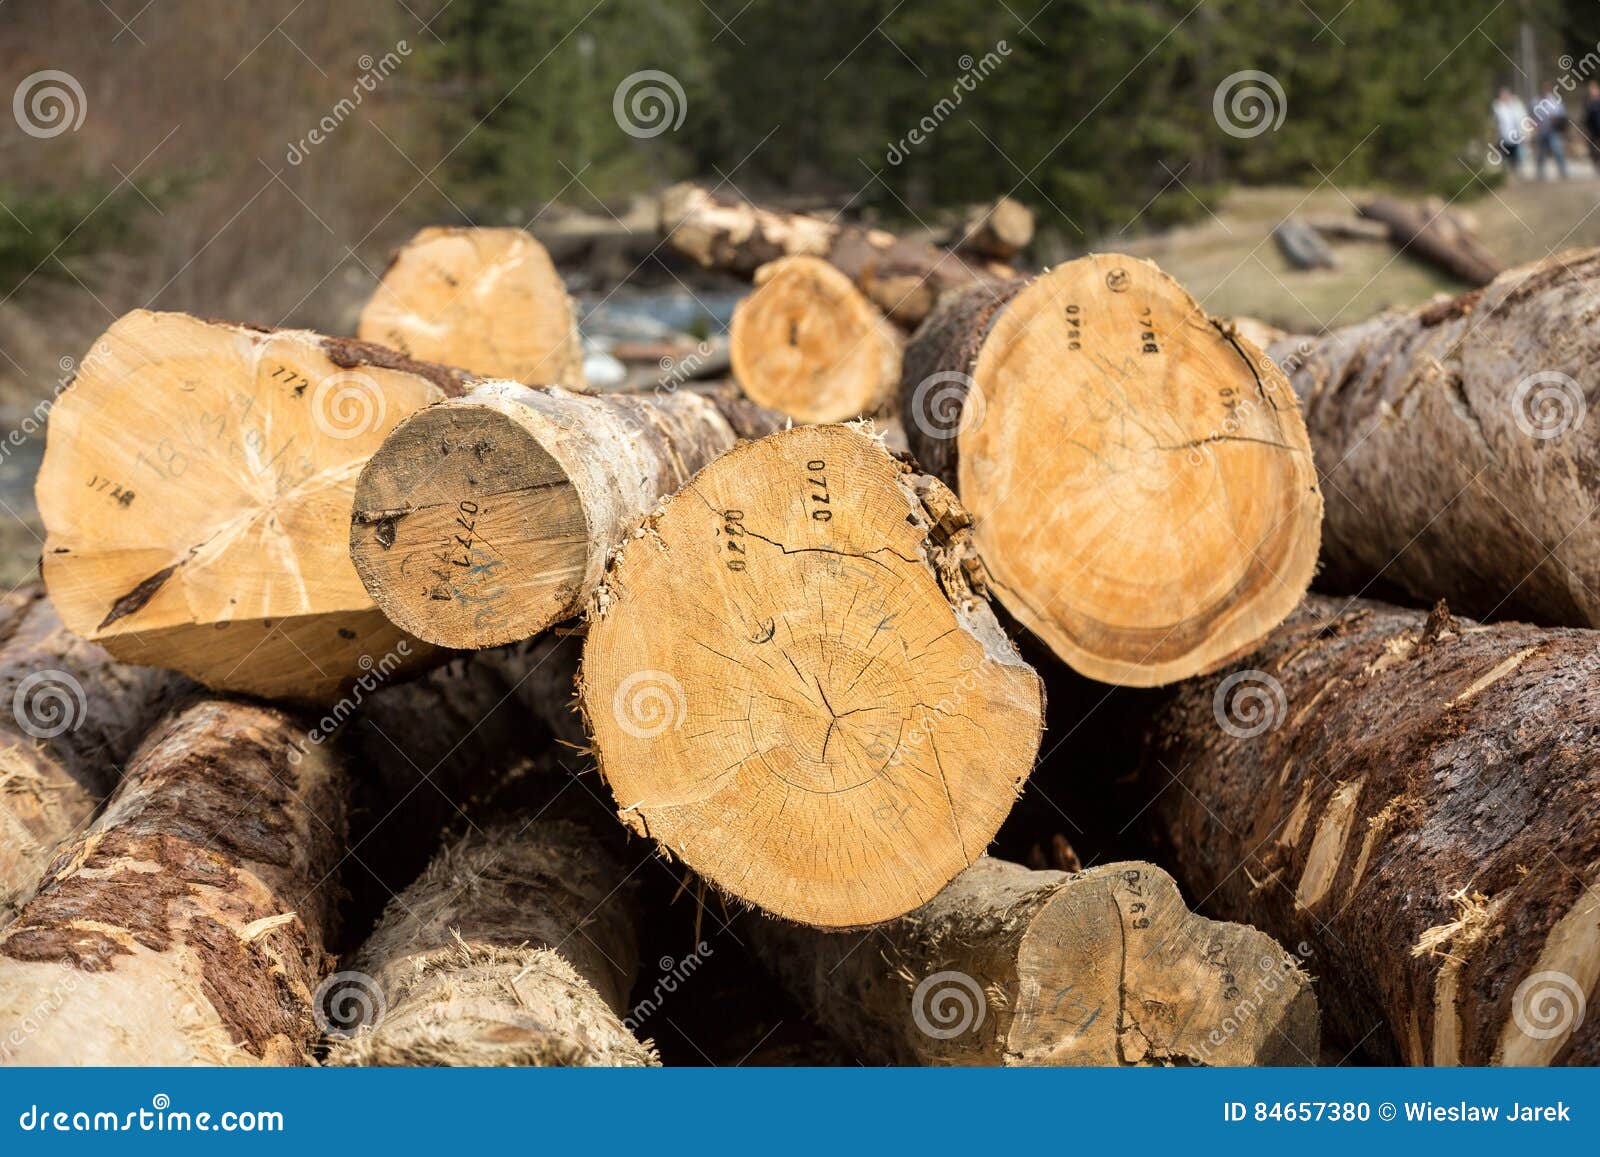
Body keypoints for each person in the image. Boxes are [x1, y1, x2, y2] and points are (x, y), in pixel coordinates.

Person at [1535, 84, 1570, 180]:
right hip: (1541, 131)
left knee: (1557, 151)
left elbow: (1562, 116)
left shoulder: (1555, 101)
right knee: (1541, 153)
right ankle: (1540, 174)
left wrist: (1556, 120)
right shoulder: (1536, 101)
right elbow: (1532, 115)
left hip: (1553, 131)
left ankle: (1563, 171)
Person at [1494, 87, 1528, 175]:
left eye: (1506, 94)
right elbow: (1496, 122)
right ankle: (1507, 175)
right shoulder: (1497, 107)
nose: (1504, 96)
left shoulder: (1516, 105)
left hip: (1516, 136)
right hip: (1503, 137)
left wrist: (1524, 133)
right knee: (1505, 158)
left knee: (1517, 157)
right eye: (1502, 95)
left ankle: (1517, 174)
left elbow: (1523, 119)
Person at [1585, 81, 1600, 172]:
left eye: (1595, 89)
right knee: (1593, 150)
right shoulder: (1588, 103)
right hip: (1593, 131)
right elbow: (1587, 118)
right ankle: (1597, 167)